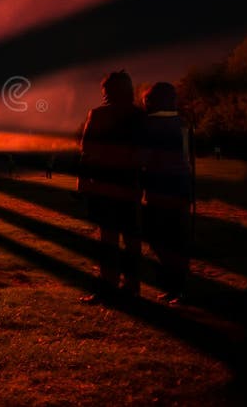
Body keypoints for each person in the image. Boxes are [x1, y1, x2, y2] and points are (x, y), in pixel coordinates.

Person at [77, 70, 145, 303]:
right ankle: (132, 285)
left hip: (105, 185)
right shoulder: (140, 116)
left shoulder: (98, 115)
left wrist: (84, 180)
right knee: (131, 238)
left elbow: (87, 150)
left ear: (107, 92)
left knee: (108, 237)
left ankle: (108, 284)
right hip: (131, 184)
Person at [141, 82, 194, 305]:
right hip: (178, 186)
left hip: (161, 186)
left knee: (161, 237)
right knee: (174, 237)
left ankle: (176, 287)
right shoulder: (179, 123)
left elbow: (147, 156)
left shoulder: (152, 125)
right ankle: (176, 287)